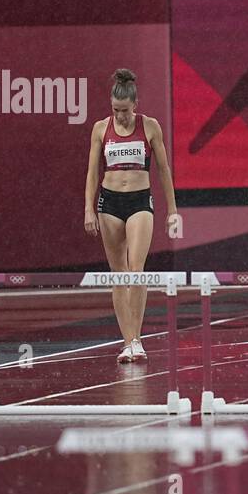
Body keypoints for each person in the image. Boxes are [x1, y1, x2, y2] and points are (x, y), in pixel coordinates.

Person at [84, 69, 179, 363]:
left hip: (139, 201)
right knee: (118, 275)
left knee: (136, 271)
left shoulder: (149, 127)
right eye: (115, 110)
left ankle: (138, 338)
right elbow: (92, 173)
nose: (120, 116)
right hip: (109, 203)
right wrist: (89, 208)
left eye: (124, 111)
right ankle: (128, 342)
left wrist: (173, 211)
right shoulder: (101, 128)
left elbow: (163, 171)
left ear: (135, 106)